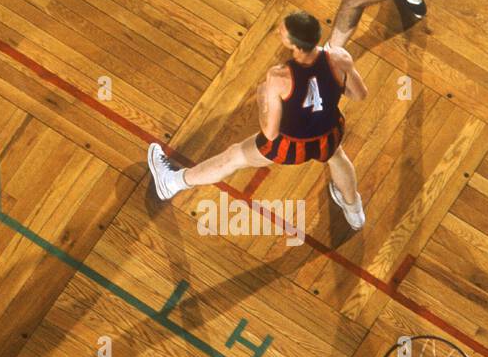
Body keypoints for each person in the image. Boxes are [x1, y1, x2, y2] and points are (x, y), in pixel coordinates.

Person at [147, 12, 368, 229]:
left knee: (234, 156)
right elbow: (359, 95)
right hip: (329, 133)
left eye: (282, 32)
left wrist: (263, 98)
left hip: (290, 145)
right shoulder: (339, 58)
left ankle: (171, 182)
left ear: (294, 45)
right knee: (337, 157)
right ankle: (354, 210)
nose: (278, 31)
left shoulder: (279, 77)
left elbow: (270, 132)